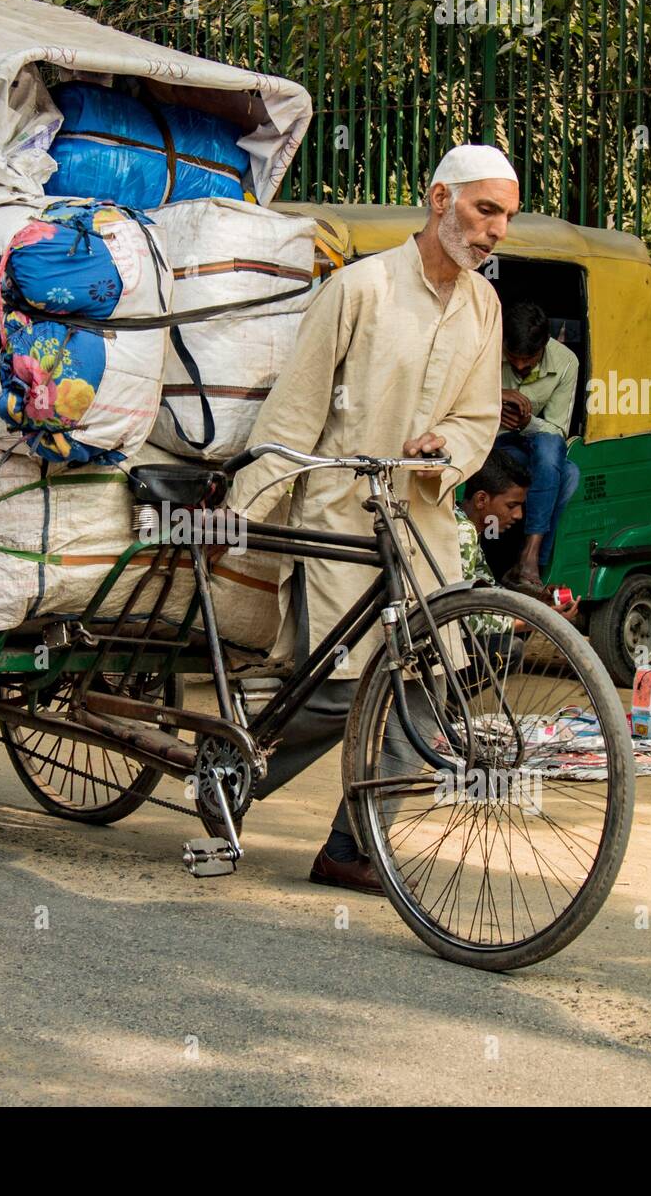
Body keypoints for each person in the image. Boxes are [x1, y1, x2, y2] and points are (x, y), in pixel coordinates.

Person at [226, 143, 520, 895]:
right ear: (438, 199)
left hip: (420, 519)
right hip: (338, 515)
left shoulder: (484, 307)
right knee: (336, 683)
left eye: (506, 217)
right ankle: (232, 772)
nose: (496, 231)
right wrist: (243, 513)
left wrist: (443, 446)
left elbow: (478, 416)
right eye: (486, 209)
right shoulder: (361, 290)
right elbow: (293, 409)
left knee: (426, 681)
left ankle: (354, 847)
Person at [454, 448, 579, 690]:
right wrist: (535, 621)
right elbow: (465, 619)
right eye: (512, 505)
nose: (519, 514)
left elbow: (487, 592)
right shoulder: (464, 533)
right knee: (509, 650)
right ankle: (444, 707)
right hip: (438, 643)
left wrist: (536, 600)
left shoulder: (467, 525)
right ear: (481, 500)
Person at [493, 300, 580, 590]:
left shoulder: (566, 361)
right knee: (567, 476)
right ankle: (534, 563)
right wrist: (496, 396)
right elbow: (456, 393)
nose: (519, 366)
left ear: (545, 346)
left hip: (534, 439)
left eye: (528, 359)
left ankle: (528, 557)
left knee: (553, 453)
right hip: (492, 441)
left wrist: (527, 422)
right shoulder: (486, 346)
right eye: (513, 357)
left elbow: (557, 428)